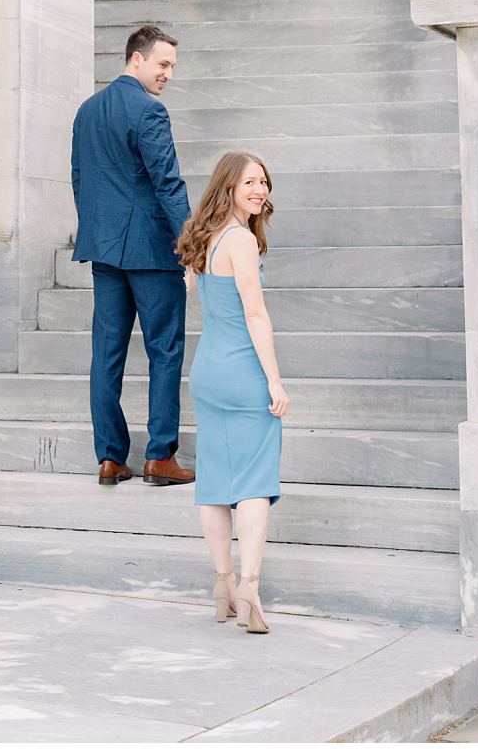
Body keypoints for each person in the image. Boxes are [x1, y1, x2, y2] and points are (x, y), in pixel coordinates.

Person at [70, 24, 195, 488]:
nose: (168, 74)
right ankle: (159, 458)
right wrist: (191, 243)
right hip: (151, 251)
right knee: (164, 350)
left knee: (106, 354)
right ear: (136, 59)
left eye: (172, 67)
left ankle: (110, 458)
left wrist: (98, 231)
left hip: (104, 249)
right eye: (163, 64)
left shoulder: (87, 110)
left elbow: (79, 178)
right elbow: (168, 183)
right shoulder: (149, 110)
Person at [178, 151, 287, 634]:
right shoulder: (240, 240)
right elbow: (254, 314)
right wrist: (274, 380)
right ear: (228, 187)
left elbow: (195, 289)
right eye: (249, 183)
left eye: (263, 182)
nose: (259, 190)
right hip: (243, 373)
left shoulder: (205, 237)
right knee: (254, 481)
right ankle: (249, 588)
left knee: (215, 482)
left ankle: (222, 584)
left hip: (207, 370)